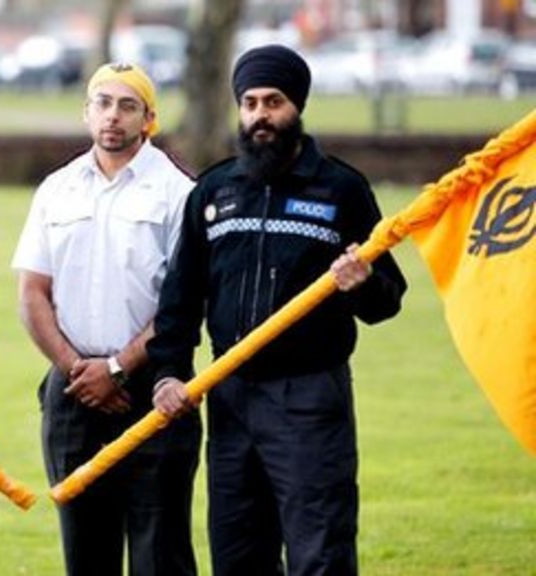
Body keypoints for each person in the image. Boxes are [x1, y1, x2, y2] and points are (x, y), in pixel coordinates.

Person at [147, 45, 408, 576]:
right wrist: (169, 372)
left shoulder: (341, 189)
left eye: (274, 102)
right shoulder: (215, 191)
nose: (261, 115)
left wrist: (360, 285)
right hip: (230, 394)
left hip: (309, 398)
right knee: (238, 550)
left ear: (297, 107)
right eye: (249, 103)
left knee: (321, 549)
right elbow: (181, 295)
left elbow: (389, 299)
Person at [12, 63, 201, 576]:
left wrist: (117, 367)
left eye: (127, 105)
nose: (112, 116)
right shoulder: (57, 188)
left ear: (149, 118)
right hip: (72, 392)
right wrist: (80, 369)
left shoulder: (178, 192)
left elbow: (183, 303)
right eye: (102, 102)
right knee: (85, 550)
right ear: (86, 111)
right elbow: (31, 293)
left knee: (158, 552)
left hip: (154, 389)